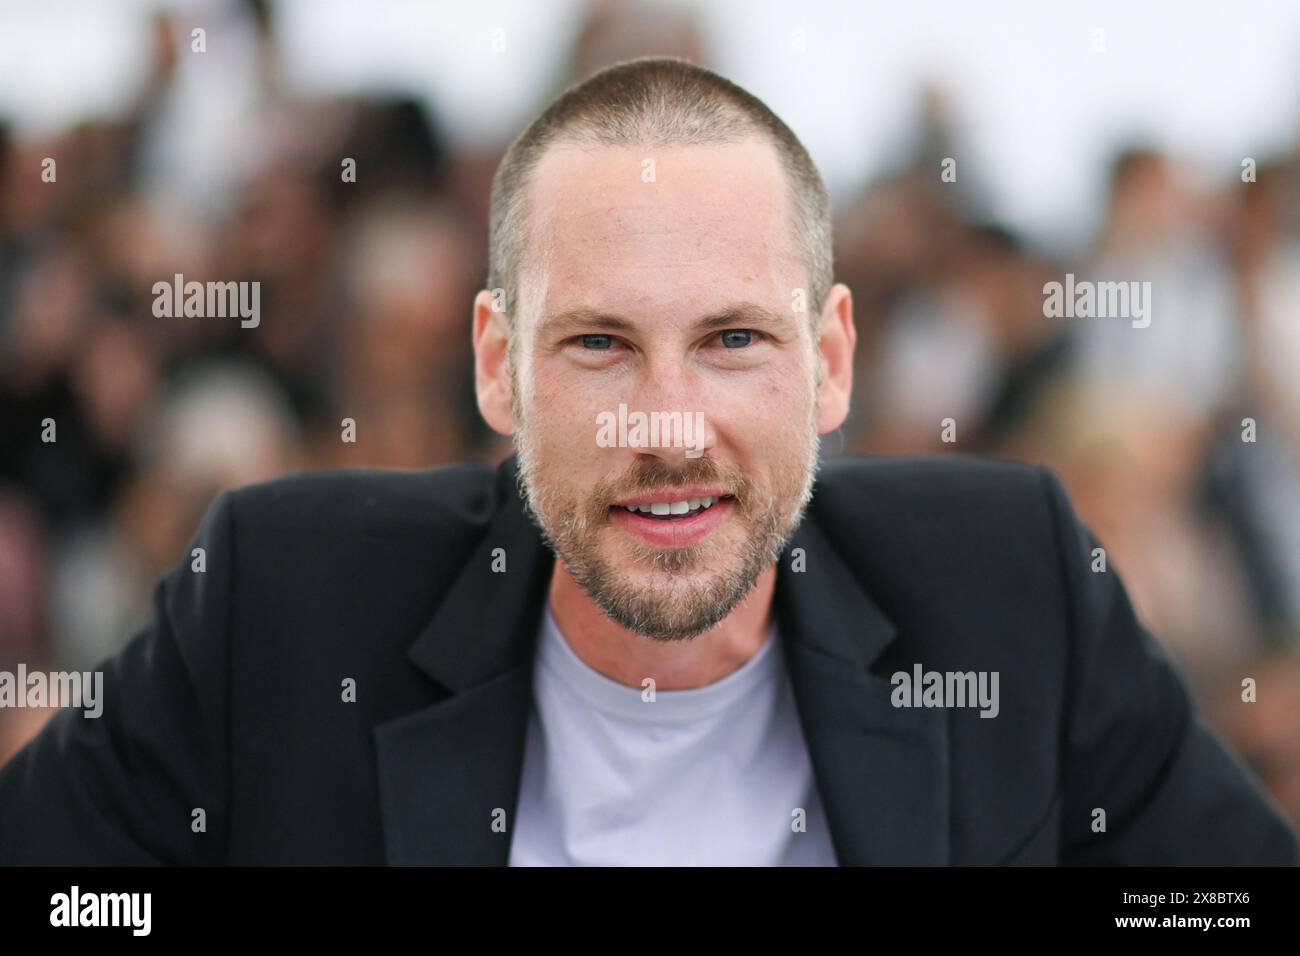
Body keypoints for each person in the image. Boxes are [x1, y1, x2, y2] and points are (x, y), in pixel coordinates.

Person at [1, 57, 1296, 866]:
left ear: (831, 361)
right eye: (601, 345)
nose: (667, 425)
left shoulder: (1008, 582)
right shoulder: (285, 600)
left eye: (732, 340)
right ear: (496, 368)